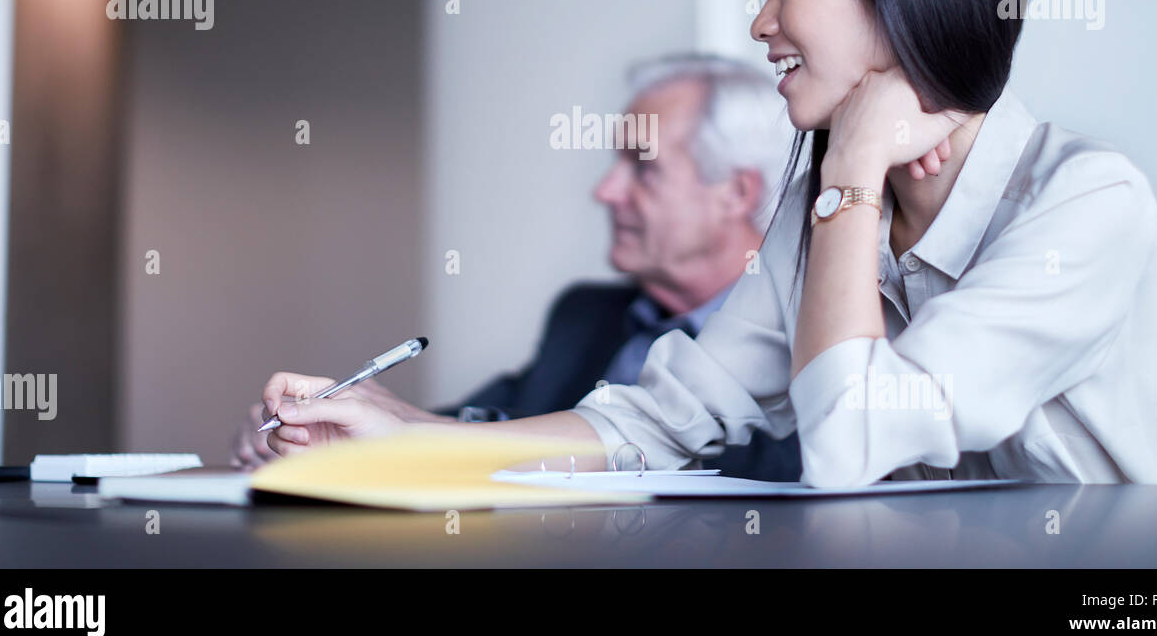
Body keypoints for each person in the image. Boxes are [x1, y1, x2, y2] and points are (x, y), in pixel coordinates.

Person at [252, 0, 1157, 486]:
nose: (761, 23)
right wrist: (412, 439)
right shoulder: (824, 201)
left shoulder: (1087, 200)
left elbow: (850, 442)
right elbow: (665, 420)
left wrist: (850, 179)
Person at [233, 55, 806, 480]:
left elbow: (768, 472)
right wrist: (347, 426)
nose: (606, 191)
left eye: (643, 167)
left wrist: (412, 431)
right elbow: (486, 419)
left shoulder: (812, 327)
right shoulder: (585, 315)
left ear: (734, 192)